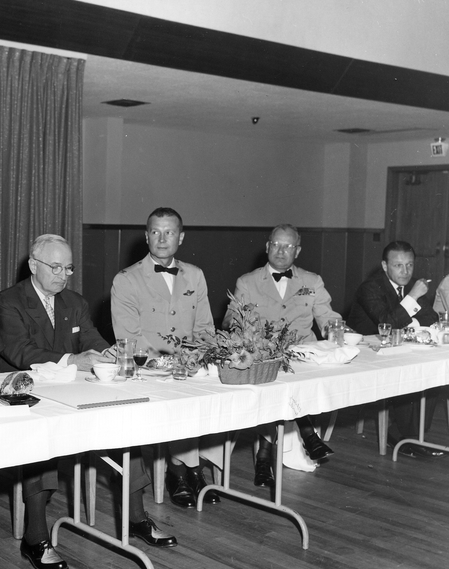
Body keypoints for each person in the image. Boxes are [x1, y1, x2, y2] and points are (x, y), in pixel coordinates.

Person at [0, 234, 177, 569]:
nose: (62, 275)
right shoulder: (8, 302)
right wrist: (74, 359)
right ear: (33, 265)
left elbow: (92, 340)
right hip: (22, 395)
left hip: (70, 394)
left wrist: (115, 356)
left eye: (69, 267)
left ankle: (136, 517)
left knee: (126, 421)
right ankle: (35, 537)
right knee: (42, 435)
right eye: (55, 267)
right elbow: (20, 353)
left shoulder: (74, 301)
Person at [110, 207, 221, 508]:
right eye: (155, 232)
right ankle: (180, 470)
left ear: (181, 237)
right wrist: (170, 365)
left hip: (188, 366)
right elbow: (130, 338)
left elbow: (205, 328)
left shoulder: (195, 276)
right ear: (146, 236)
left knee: (208, 393)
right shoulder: (127, 279)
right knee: (178, 395)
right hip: (146, 370)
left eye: (169, 232)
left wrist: (197, 358)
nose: (162, 239)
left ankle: (189, 468)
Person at [226, 224, 340, 488]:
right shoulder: (247, 282)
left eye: (288, 246)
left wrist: (339, 332)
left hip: (304, 356)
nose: (280, 251)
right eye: (276, 244)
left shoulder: (312, 282)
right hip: (266, 356)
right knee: (274, 380)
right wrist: (245, 331)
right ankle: (308, 434)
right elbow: (231, 319)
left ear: (297, 251)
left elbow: (328, 319)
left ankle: (264, 455)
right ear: (267, 247)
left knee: (288, 380)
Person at [347, 240, 442, 458]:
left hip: (397, 351)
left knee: (432, 374)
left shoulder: (411, 287)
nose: (405, 271)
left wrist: (413, 310)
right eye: (398, 265)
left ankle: (411, 436)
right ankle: (402, 438)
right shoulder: (370, 287)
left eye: (409, 265)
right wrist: (412, 298)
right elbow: (387, 324)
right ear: (384, 266)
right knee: (408, 371)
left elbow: (430, 318)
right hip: (365, 355)